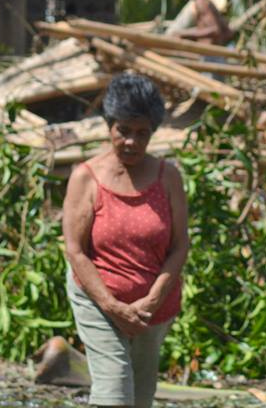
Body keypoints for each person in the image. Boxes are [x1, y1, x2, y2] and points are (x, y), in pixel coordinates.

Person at [62, 73, 189, 408]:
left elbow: (180, 246)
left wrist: (150, 302)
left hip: (153, 306)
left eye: (142, 133)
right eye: (123, 130)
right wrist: (112, 307)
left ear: (152, 132)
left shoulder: (168, 177)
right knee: (114, 391)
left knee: (141, 395)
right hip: (97, 298)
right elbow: (75, 251)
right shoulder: (86, 178)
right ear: (110, 126)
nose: (131, 141)